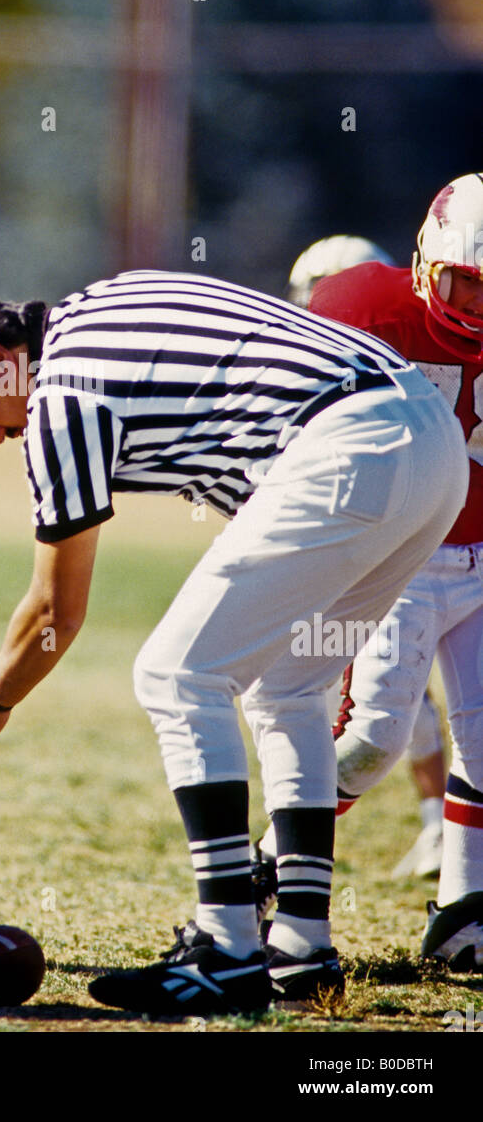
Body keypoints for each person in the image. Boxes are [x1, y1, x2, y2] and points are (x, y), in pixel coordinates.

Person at [0, 269, 467, 1016]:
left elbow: (53, 615)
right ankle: (301, 945)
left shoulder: (59, 396)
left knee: (176, 676)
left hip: (348, 448)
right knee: (290, 686)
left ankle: (226, 947)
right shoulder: (99, 303)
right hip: (432, 442)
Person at [263, 175, 483, 973]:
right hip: (408, 556)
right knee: (369, 740)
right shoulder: (363, 304)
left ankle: (462, 912)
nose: (475, 303)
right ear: (427, 262)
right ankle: (267, 865)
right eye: (464, 279)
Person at [286, 234, 446, 881]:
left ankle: (291, 856)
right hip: (395, 539)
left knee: (354, 696)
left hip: (386, 543)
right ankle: (436, 822)